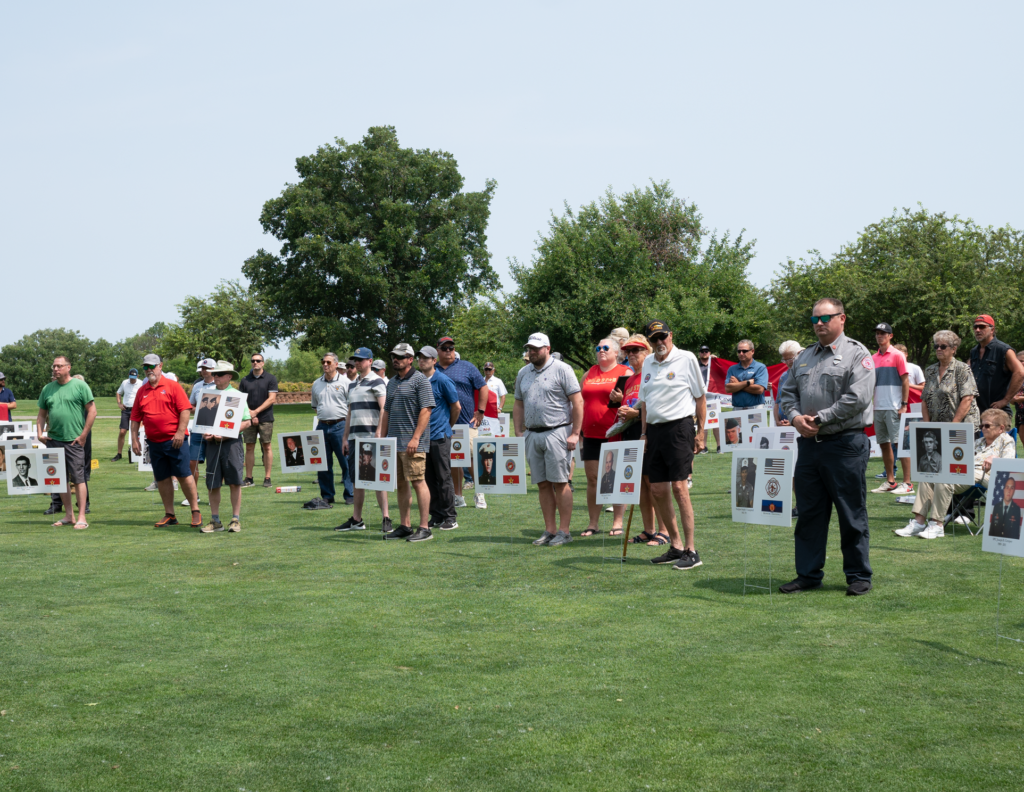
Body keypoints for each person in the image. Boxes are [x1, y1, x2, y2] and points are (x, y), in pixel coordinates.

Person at [777, 298, 875, 596]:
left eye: (825, 318)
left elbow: (858, 398)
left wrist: (820, 418)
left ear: (842, 319)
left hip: (845, 444)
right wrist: (796, 418)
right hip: (809, 446)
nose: (819, 323)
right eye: (814, 319)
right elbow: (787, 394)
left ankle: (858, 575)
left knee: (851, 513)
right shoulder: (804, 356)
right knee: (809, 514)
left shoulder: (857, 354)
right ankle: (808, 575)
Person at [638, 320, 707, 570]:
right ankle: (676, 546)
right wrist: (644, 433)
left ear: (671, 335)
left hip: (679, 428)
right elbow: (644, 402)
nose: (659, 342)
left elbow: (700, 397)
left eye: (662, 337)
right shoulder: (648, 362)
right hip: (654, 431)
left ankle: (691, 550)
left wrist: (701, 433)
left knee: (679, 487)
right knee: (657, 489)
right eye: (654, 339)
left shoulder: (687, 358)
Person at [897, 408, 1015, 538]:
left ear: (1001, 428)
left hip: (987, 476)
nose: (983, 428)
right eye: (981, 425)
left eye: (987, 425)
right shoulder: (978, 442)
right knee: (928, 475)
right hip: (967, 473)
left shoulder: (1007, 440)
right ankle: (919, 522)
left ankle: (937, 525)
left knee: (945, 479)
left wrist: (995, 459)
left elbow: (1009, 463)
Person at [514, 332, 583, 546]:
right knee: (542, 484)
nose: (532, 352)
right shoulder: (523, 372)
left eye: (536, 348)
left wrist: (575, 433)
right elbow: (518, 403)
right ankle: (550, 530)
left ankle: (565, 531)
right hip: (532, 433)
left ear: (548, 349)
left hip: (558, 431)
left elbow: (578, 402)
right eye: (530, 348)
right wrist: (518, 431)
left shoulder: (563, 369)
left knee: (561, 483)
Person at [130, 354, 202, 529]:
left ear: (160, 366)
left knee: (184, 475)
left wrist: (180, 432)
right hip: (154, 442)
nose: (148, 370)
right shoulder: (142, 390)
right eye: (145, 367)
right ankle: (170, 514)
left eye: (152, 366)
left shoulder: (173, 386)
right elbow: (135, 417)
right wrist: (134, 439)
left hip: (175, 440)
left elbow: (185, 410)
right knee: (162, 478)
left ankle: (195, 510)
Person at [379, 343, 435, 542]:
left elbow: (426, 409)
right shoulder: (392, 382)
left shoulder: (420, 380)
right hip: (394, 443)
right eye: (394, 356)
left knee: (418, 482)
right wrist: (381, 438)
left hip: (413, 443)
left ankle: (425, 528)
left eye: (400, 357)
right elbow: (386, 411)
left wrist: (416, 438)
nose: (396, 360)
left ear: (410, 359)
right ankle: (405, 526)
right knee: (401, 484)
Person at [36, 355, 96, 530]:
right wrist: (39, 434)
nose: (56, 369)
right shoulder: (47, 389)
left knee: (78, 478)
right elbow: (41, 414)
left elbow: (92, 411)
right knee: (59, 479)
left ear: (68, 367)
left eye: (59, 366)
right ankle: (69, 515)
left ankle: (82, 517)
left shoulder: (80, 386)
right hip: (53, 440)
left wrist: (83, 435)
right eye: (54, 366)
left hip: (73, 441)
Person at [336, 348, 392, 533]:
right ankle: (357, 520)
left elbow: (384, 409)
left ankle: (386, 518)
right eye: (355, 360)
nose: (357, 363)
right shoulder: (352, 384)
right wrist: (345, 437)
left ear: (370, 361)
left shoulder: (377, 381)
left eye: (361, 360)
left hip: (372, 437)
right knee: (357, 480)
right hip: (354, 439)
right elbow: (350, 413)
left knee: (378, 480)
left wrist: (379, 432)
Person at [579, 337, 631, 537]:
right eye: (598, 347)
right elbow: (579, 399)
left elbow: (634, 401)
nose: (601, 350)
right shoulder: (590, 372)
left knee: (615, 478)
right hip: (590, 434)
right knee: (593, 480)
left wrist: (622, 399)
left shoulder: (625, 372)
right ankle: (593, 523)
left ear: (616, 352)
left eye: (606, 348)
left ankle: (617, 522)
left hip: (615, 432)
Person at [436, 335, 489, 509]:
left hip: (466, 422)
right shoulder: (433, 369)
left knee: (472, 458)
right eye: (444, 348)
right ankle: (458, 496)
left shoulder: (466, 366)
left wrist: (481, 411)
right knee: (454, 460)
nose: (448, 351)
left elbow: (483, 387)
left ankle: (479, 494)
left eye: (451, 348)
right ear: (437, 350)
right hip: (444, 424)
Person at [200, 360, 252, 533]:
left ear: (229, 376)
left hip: (231, 444)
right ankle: (215, 521)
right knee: (212, 483)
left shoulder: (237, 395)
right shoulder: (208, 394)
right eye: (214, 374)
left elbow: (247, 422)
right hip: (212, 445)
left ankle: (235, 519)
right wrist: (205, 433)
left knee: (234, 482)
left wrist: (227, 433)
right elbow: (203, 422)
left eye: (220, 374)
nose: (216, 377)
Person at [417, 346, 460, 532]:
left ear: (434, 361)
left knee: (443, 477)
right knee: (428, 478)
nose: (422, 361)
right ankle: (436, 515)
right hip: (423, 438)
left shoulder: (443, 380)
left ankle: (450, 516)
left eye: (426, 358)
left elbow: (456, 407)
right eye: (420, 358)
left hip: (439, 436)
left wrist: (446, 426)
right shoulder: (418, 380)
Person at [306, 352, 353, 509]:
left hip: (341, 426)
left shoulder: (346, 382)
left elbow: (351, 406)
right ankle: (327, 496)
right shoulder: (316, 383)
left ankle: (350, 494)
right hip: (321, 426)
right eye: (323, 362)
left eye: (328, 362)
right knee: (322, 463)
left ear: (336, 364)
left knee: (346, 462)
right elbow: (315, 406)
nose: (325, 364)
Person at [870, 323, 912, 495]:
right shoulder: (872, 358)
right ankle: (891, 481)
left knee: (900, 444)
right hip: (878, 407)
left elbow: (905, 381)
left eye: (883, 333)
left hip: (894, 407)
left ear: (890, 336)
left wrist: (904, 404)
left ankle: (907, 483)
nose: (879, 336)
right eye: (877, 333)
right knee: (884, 444)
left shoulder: (898, 355)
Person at [920, 330, 981, 439]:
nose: (939, 349)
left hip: (961, 427)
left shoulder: (962, 369)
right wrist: (927, 426)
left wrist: (953, 426)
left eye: (943, 346)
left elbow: (968, 398)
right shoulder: (930, 370)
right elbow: (924, 399)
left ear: (953, 349)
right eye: (936, 346)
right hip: (937, 428)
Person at [969, 315, 1024, 417]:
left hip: (997, 412)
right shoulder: (974, 351)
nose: (977, 330)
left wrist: (1005, 400)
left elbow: (1020, 372)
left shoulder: (1003, 349)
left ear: (992, 330)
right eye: (975, 327)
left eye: (982, 327)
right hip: (976, 412)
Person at [239, 352, 279, 489]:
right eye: (253, 361)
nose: (255, 362)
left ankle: (267, 477)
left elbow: (272, 399)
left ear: (263, 363)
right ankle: (249, 478)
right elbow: (241, 400)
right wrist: (251, 414)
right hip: (248, 418)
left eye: (258, 360)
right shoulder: (245, 380)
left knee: (266, 446)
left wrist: (256, 412)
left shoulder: (271, 378)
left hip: (265, 418)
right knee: (249, 447)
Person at [184, 359, 215, 500]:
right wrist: (200, 409)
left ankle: (212, 496)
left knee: (212, 464)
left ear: (214, 370)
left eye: (206, 368)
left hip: (214, 428)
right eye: (202, 368)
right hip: (198, 427)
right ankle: (193, 495)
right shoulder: (197, 386)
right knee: (192, 462)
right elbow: (190, 406)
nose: (203, 371)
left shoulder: (220, 385)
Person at [110, 368, 142, 461]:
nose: (132, 379)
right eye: (131, 377)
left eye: (134, 378)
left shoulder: (141, 383)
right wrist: (119, 403)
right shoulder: (124, 383)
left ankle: (139, 453)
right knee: (122, 432)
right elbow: (118, 392)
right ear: (128, 375)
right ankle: (119, 454)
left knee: (138, 432)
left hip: (137, 410)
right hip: (126, 410)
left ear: (137, 376)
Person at [724, 340, 768, 408]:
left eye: (744, 351)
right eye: (739, 351)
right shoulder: (732, 369)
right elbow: (728, 389)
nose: (741, 353)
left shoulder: (760, 367)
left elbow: (759, 389)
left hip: (756, 407)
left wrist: (737, 384)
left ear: (752, 351)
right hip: (737, 408)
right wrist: (747, 383)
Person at [696, 346, 723, 452]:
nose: (704, 353)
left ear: (709, 352)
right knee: (703, 422)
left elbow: (723, 372)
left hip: (713, 396)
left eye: (706, 351)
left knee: (716, 421)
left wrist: (716, 361)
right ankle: (703, 446)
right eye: (702, 351)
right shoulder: (696, 365)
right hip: (700, 396)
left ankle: (719, 446)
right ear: (699, 353)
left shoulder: (714, 364)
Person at [774, 341, 803, 427]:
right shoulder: (784, 376)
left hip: (799, 424)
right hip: (782, 424)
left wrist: (794, 422)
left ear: (798, 355)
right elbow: (777, 402)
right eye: (784, 360)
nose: (787, 363)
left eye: (790, 359)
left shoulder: (805, 374)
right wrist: (777, 421)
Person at [989, 473, 1023, 540]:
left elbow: (1016, 533)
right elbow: (992, 530)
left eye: (1012, 488)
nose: (1009, 491)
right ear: (1004, 489)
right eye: (1007, 487)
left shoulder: (1017, 509)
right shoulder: (996, 507)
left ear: (1014, 491)